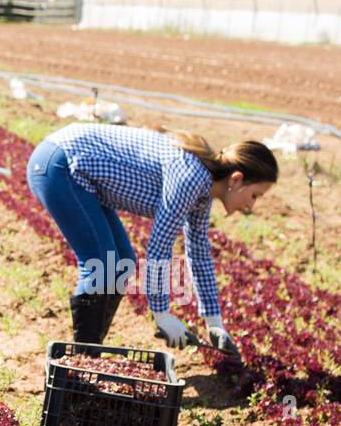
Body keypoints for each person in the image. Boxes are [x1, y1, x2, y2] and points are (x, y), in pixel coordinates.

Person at [26, 123, 278, 359]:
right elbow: (159, 245)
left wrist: (214, 322)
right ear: (236, 179)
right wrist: (162, 314)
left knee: (122, 261)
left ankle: (88, 356)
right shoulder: (191, 177)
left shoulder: (204, 193)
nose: (251, 205)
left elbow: (198, 253)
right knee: (103, 265)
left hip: (77, 174)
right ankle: (80, 365)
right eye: (255, 195)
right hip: (60, 165)